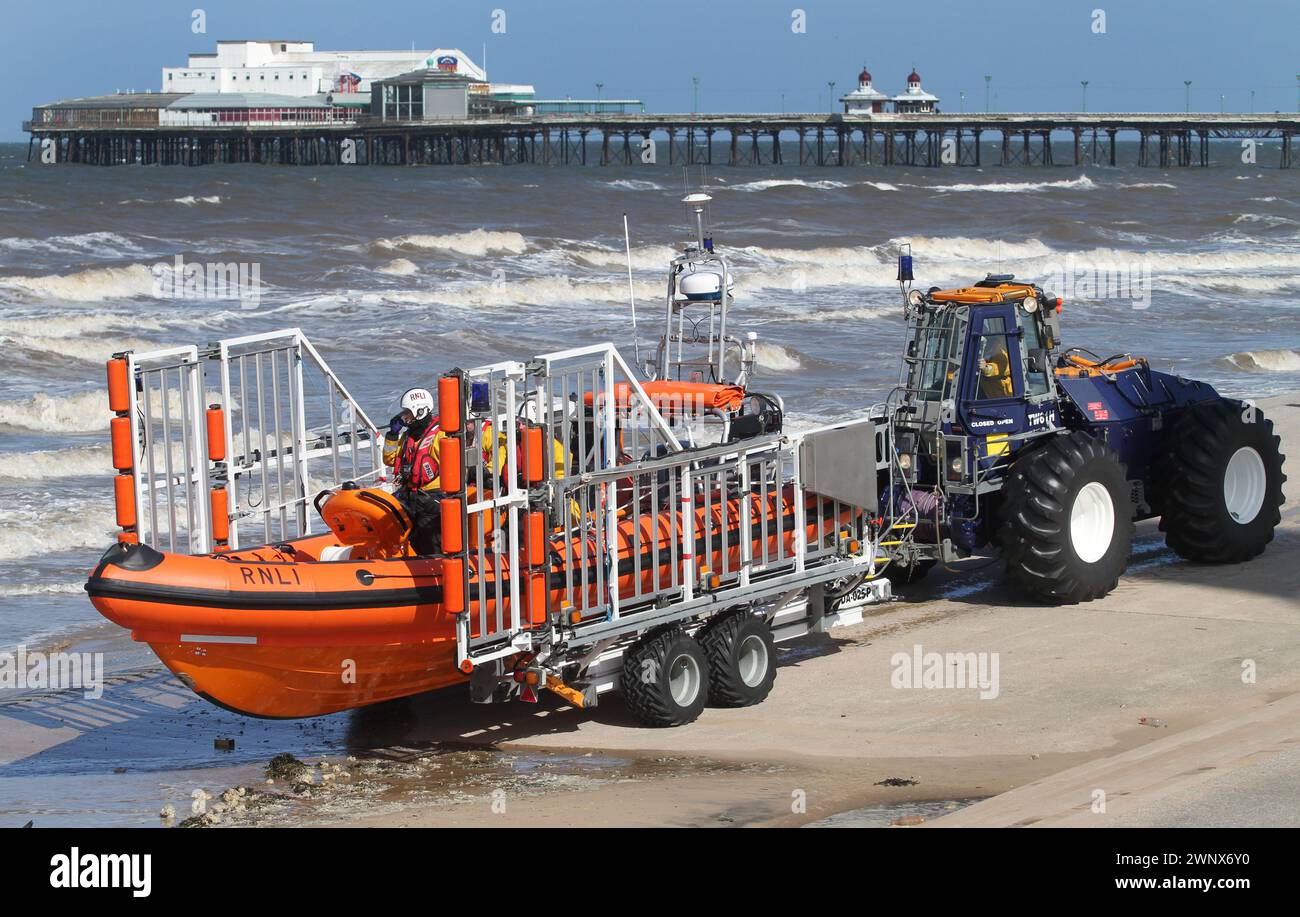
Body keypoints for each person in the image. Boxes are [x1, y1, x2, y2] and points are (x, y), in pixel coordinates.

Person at [383, 388, 446, 555]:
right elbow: (389, 460)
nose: (404, 416)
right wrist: (392, 435)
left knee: (431, 542)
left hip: (433, 497)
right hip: (411, 496)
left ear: (420, 411)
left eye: (407, 412)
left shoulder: (441, 434)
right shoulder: (408, 437)